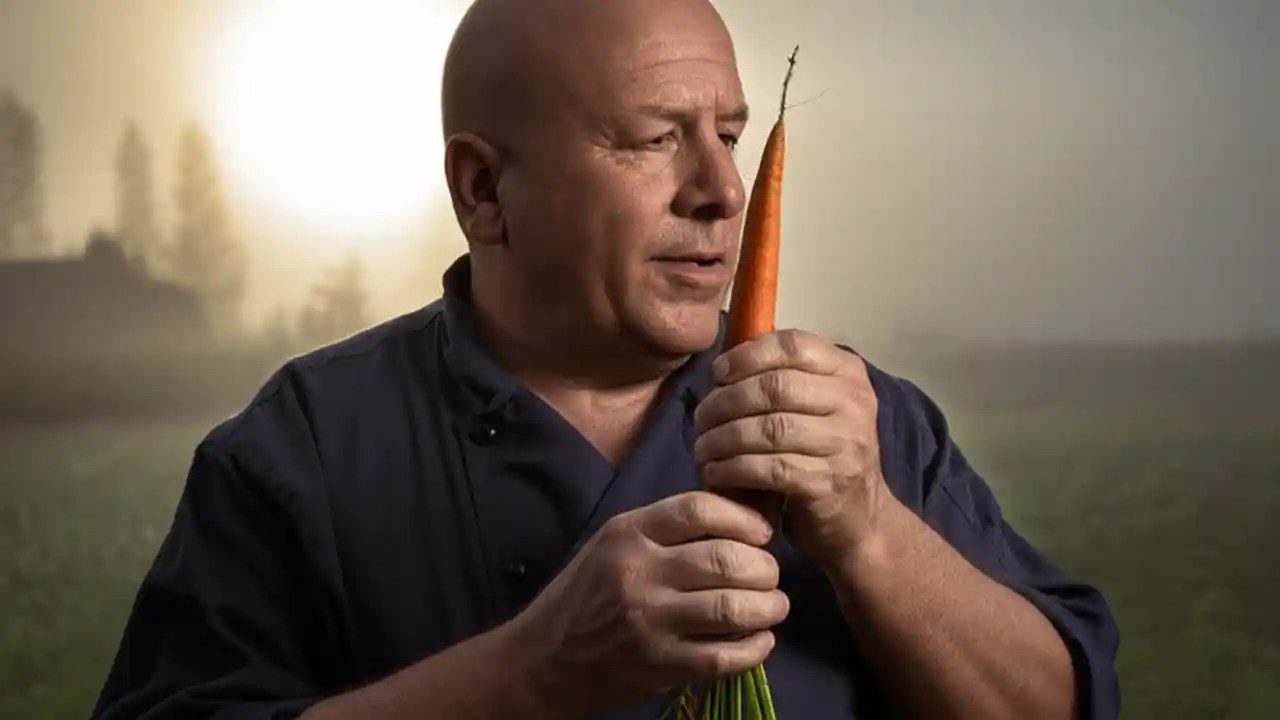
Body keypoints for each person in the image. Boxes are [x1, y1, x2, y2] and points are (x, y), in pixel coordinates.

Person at [91, 0, 1120, 718]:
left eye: (727, 132)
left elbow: (1061, 706)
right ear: (483, 191)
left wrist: (869, 532)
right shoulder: (302, 450)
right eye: (650, 140)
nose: (722, 191)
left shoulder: (861, 424)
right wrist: (527, 676)